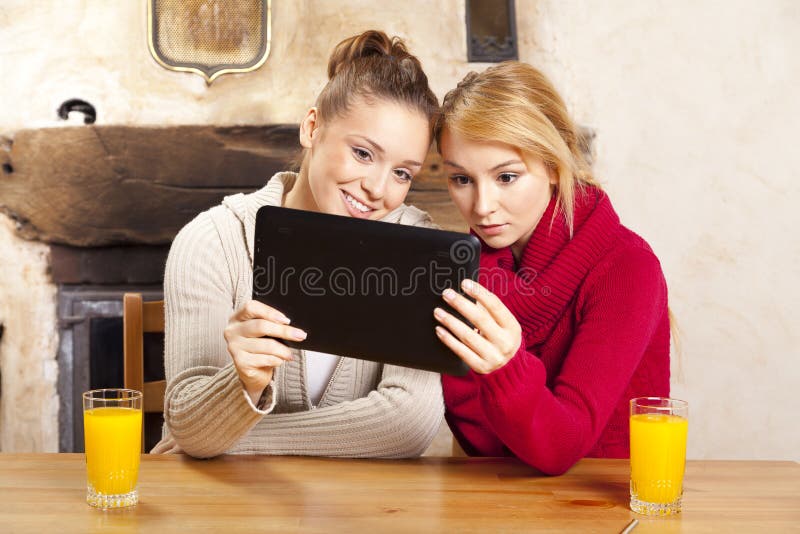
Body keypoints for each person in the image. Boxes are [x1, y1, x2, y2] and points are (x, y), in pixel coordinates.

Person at [152, 30, 443, 458]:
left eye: (403, 173)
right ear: (312, 128)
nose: (378, 189)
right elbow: (190, 424)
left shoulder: (418, 247)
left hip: (362, 513)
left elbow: (409, 425)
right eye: (363, 153)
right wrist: (243, 383)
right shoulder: (213, 241)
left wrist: (233, 442)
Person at [432, 62, 671, 475]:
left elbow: (563, 445)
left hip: (602, 505)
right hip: (495, 499)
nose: (482, 206)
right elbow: (479, 441)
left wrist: (506, 368)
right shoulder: (460, 270)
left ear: (554, 165)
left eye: (506, 177)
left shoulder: (628, 267)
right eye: (462, 179)